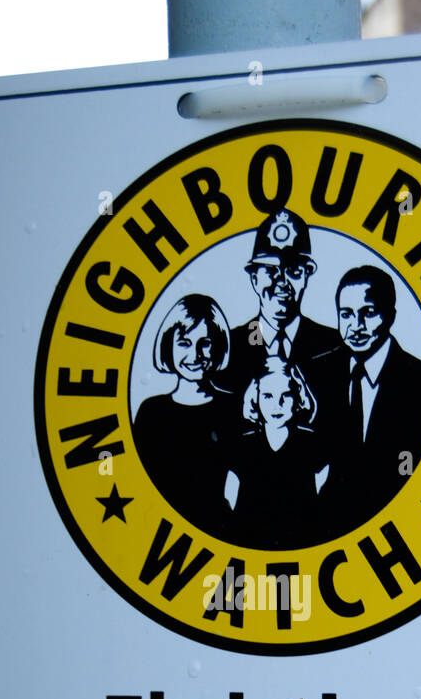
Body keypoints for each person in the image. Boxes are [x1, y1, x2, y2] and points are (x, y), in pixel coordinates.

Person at [311, 265, 421, 532]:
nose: (356, 326)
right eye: (346, 315)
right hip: (325, 528)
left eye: (368, 313)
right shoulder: (316, 373)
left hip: (399, 526)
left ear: (390, 316)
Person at [133, 294, 237, 534]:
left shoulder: (232, 408)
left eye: (205, 343)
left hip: (218, 530)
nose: (194, 356)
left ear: (219, 344)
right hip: (156, 529)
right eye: (184, 343)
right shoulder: (151, 412)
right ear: (168, 345)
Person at [219, 209, 341, 398]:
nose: (282, 282)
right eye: (270, 271)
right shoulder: (230, 348)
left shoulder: (334, 345)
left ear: (306, 276)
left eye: (293, 271)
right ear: (254, 279)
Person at [222, 358, 329, 549]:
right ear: (256, 398)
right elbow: (231, 498)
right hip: (250, 543)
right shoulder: (243, 446)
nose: (277, 405)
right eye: (268, 396)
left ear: (298, 397)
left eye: (286, 395)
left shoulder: (312, 444)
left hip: (304, 543)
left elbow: (321, 494)